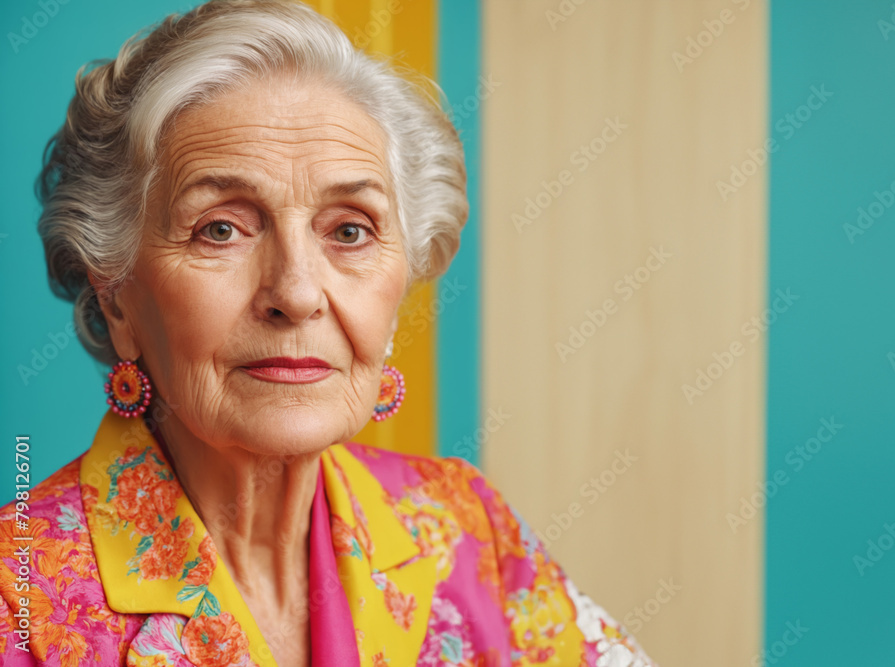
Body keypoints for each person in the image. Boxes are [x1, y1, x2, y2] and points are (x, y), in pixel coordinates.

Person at [0, 1, 654, 664]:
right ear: (116, 297)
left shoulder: (463, 524)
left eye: (350, 230)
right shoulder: (17, 596)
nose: (297, 292)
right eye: (220, 228)